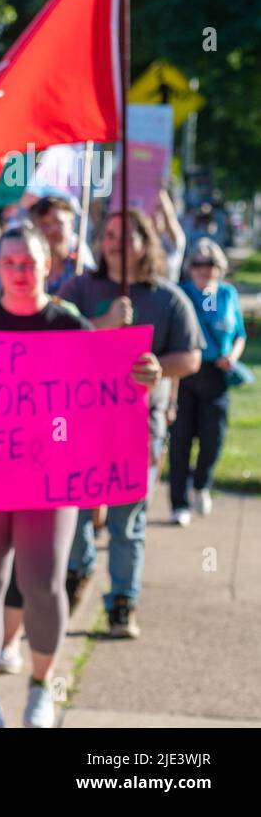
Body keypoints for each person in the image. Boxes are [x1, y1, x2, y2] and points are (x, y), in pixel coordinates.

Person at [0, 226, 100, 728]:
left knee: (42, 583)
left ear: (49, 267)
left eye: (29, 263)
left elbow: (99, 398)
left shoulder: (70, 325)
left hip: (51, 479)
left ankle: (42, 688)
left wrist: (138, 370)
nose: (19, 272)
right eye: (10, 262)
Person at [61, 210, 204, 637]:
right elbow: (55, 343)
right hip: (83, 424)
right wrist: (100, 325)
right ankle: (75, 575)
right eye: (108, 235)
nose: (114, 243)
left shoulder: (168, 298)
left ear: (146, 242)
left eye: (125, 236)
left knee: (127, 519)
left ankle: (123, 601)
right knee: (79, 512)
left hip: (139, 429)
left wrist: (158, 368)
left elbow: (192, 357)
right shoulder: (80, 288)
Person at [169, 239, 246, 524]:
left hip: (217, 375)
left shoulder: (227, 294)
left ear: (219, 267)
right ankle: (179, 504)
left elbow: (239, 332)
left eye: (209, 264)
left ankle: (201, 485)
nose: (204, 269)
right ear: (190, 268)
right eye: (198, 264)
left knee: (213, 440)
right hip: (186, 375)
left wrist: (234, 356)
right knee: (181, 443)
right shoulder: (182, 294)